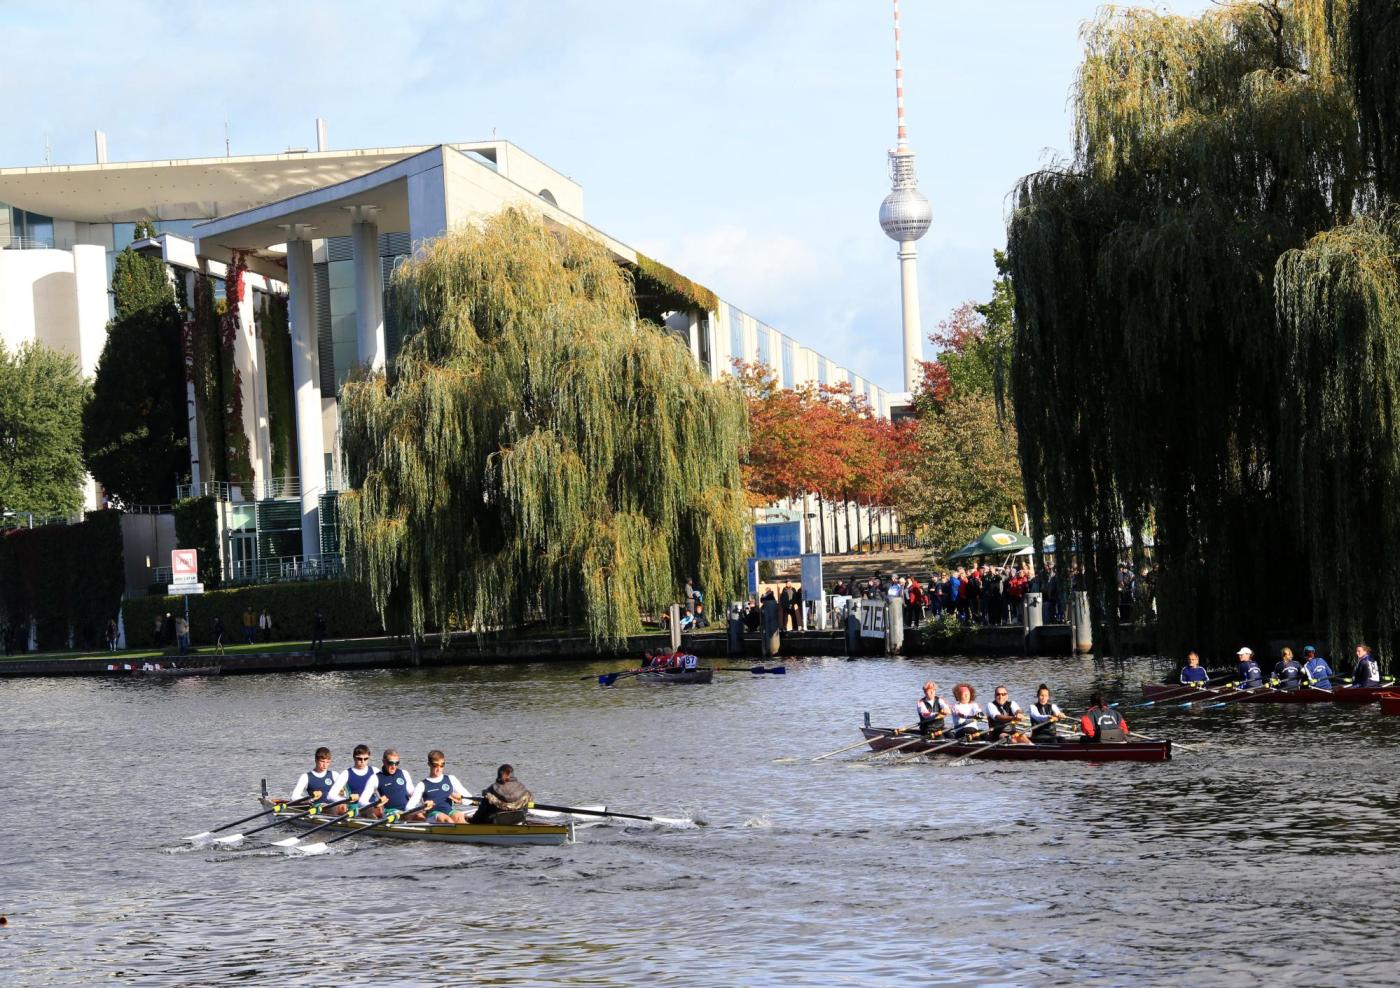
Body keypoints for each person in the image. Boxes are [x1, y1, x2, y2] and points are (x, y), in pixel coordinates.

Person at [405, 750, 472, 824]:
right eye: (435, 765)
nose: (439, 769)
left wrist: (461, 799)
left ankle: (469, 833)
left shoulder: (451, 779)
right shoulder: (422, 785)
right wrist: (423, 807)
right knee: (445, 819)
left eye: (442, 765)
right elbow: (409, 808)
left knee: (459, 816)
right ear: (429, 764)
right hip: (432, 815)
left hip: (449, 811)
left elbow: (470, 798)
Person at [366, 749, 413, 820]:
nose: (394, 766)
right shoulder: (375, 778)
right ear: (384, 762)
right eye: (390, 763)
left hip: (406, 810)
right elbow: (362, 801)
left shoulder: (404, 773)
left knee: (420, 815)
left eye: (396, 763)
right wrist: (376, 805)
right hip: (390, 812)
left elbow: (412, 792)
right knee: (407, 816)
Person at [335, 743, 380, 816]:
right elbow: (331, 795)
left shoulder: (375, 771)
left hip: (371, 805)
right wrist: (344, 800)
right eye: (359, 759)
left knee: (380, 809)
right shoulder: (346, 773)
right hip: (354, 807)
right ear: (354, 758)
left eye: (365, 759)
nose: (363, 761)